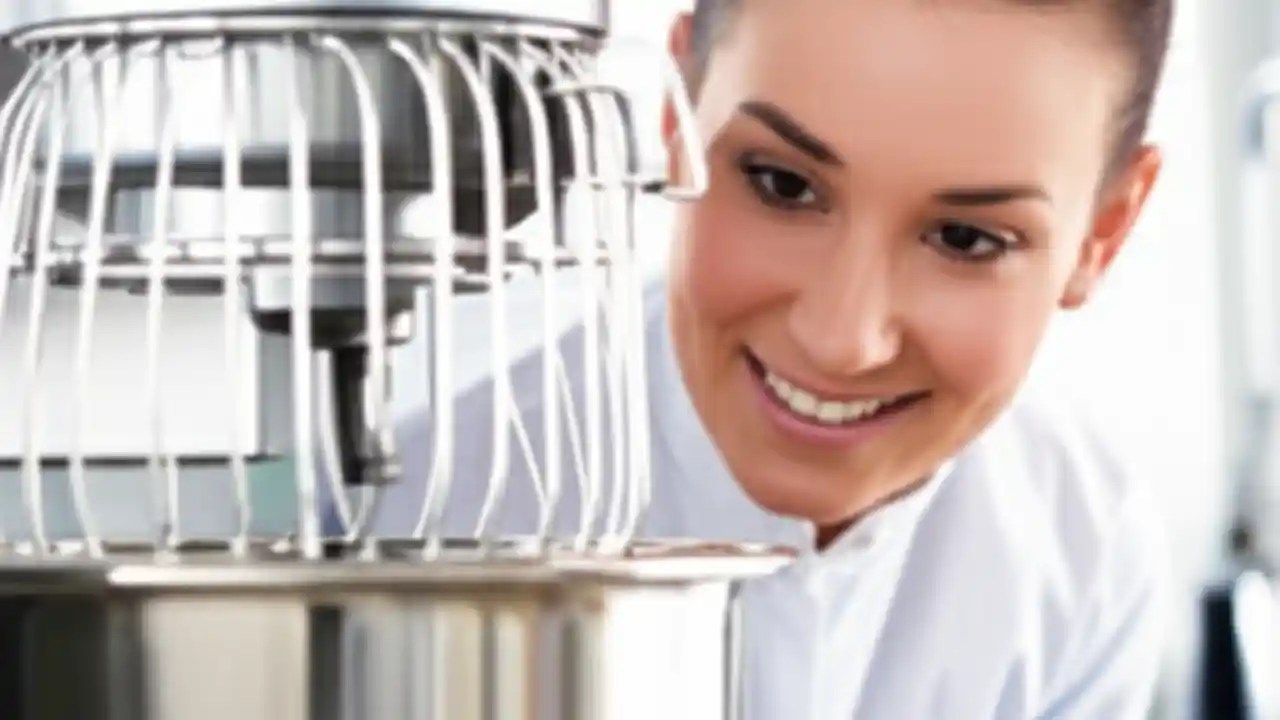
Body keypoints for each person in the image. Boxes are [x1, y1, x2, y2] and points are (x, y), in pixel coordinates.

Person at [376, 0, 1176, 717]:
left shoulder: (1089, 557)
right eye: (783, 185)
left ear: (1103, 233)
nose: (842, 340)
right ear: (678, 110)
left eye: (966, 239)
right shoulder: (408, 505)